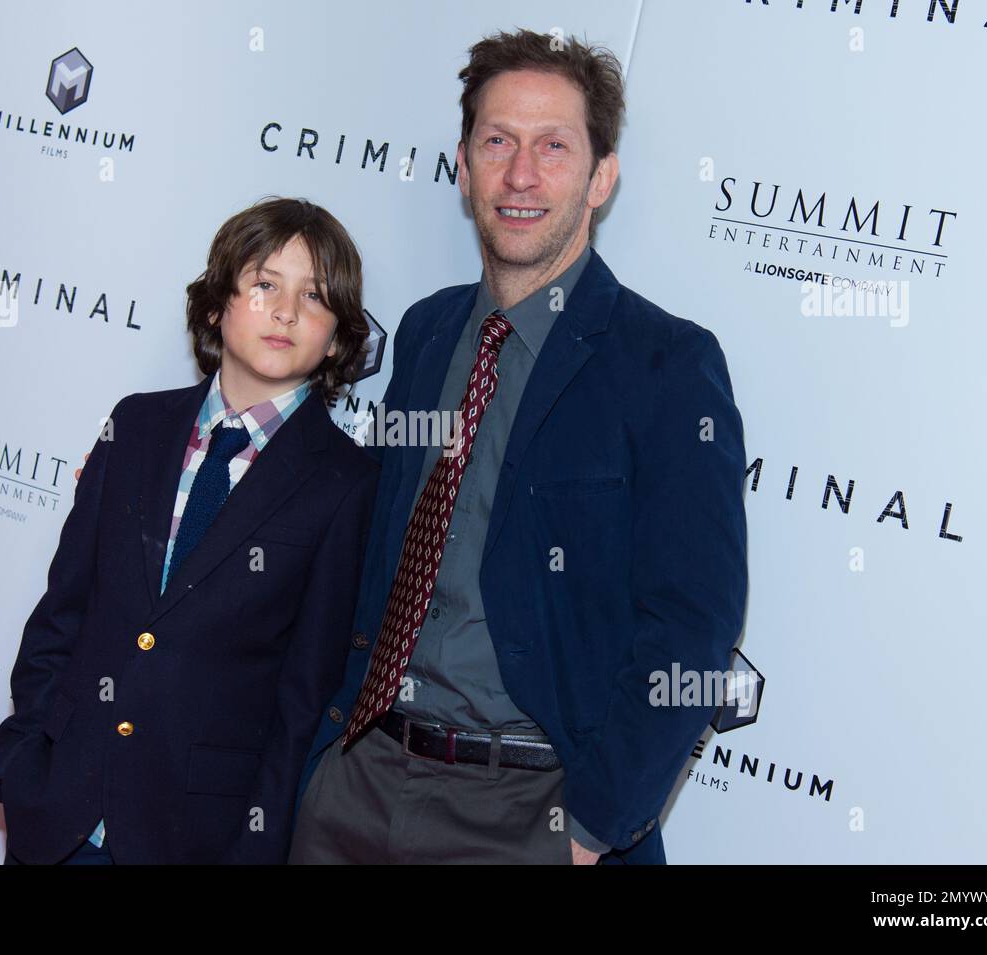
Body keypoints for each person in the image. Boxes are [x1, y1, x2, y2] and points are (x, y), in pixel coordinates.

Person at [288, 29, 749, 864]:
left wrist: (591, 830)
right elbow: (365, 532)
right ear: (463, 166)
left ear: (601, 177)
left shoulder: (666, 366)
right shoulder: (428, 331)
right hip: (356, 783)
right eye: (497, 141)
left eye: (554, 146)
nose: (521, 174)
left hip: (530, 812)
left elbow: (693, 625)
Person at [0, 196, 380, 864]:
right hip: (60, 814)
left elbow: (304, 697)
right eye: (263, 284)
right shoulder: (136, 427)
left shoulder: (343, 482)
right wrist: (29, 759)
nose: (285, 311)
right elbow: (63, 611)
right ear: (217, 306)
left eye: (313, 297)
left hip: (194, 837)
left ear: (338, 336)